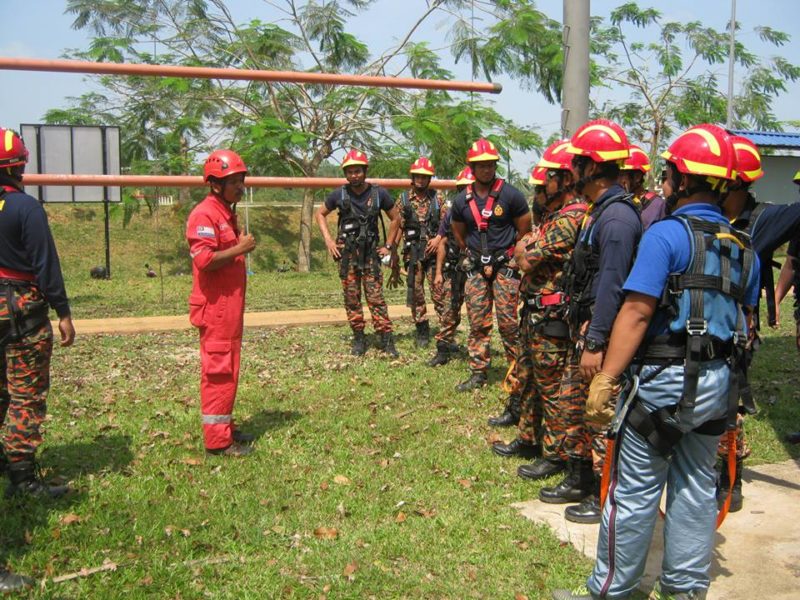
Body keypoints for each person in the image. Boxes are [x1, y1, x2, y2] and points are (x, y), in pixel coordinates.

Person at [552, 123, 760, 600]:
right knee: (693, 489)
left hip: (664, 384)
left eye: (668, 173)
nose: (663, 181)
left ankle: (611, 591)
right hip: (717, 389)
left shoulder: (667, 235)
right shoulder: (741, 245)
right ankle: (685, 591)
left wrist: (606, 379)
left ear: (683, 180)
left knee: (635, 491)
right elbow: (743, 321)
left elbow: (638, 310)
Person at [539, 119, 641, 525]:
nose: (571, 171)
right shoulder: (599, 213)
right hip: (583, 329)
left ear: (592, 167)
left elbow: (612, 286)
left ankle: (604, 494)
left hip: (600, 335)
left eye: (578, 163)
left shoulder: (616, 220)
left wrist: (596, 341)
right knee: (575, 407)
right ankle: (580, 478)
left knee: (600, 415)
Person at [0, 127, 76, 591]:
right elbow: (44, 262)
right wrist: (63, 311)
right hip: (21, 311)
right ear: (18, 167)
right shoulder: (26, 208)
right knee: (27, 393)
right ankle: (22, 474)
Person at [493, 141, 589, 480]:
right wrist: (526, 247)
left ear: (565, 179)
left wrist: (526, 247)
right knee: (530, 381)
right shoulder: (557, 218)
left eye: (547, 178)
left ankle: (555, 453)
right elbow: (525, 255)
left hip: (552, 319)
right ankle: (529, 438)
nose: (541, 186)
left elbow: (524, 258)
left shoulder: (571, 219)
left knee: (551, 389)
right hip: (535, 314)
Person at [716, 135, 800, 510]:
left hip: (734, 331)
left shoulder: (764, 219)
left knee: (729, 404)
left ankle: (728, 477)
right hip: (697, 325)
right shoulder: (703, 214)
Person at [449, 139, 532, 400]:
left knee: (508, 323)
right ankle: (478, 371)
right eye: (481, 165)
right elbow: (459, 231)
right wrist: (473, 253)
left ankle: (516, 370)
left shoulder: (511, 195)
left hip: (505, 266)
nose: (486, 169)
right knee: (477, 322)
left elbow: (524, 228)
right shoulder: (462, 200)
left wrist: (510, 255)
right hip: (475, 267)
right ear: (472, 167)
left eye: (490, 165)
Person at [186, 149, 256, 457]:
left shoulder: (225, 211)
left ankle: (224, 425)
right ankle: (218, 441)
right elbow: (204, 260)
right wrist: (240, 247)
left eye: (241, 180)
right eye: (235, 182)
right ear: (216, 184)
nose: (241, 186)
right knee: (218, 371)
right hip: (215, 310)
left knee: (229, 370)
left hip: (228, 309)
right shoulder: (205, 214)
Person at [315, 150, 401, 357]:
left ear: (365, 171)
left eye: (358, 171)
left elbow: (396, 218)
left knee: (376, 298)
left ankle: (386, 338)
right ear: (346, 173)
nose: (354, 175)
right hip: (348, 256)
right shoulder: (339, 194)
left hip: (371, 254)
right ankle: (359, 338)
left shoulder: (378, 194)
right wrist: (328, 240)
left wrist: (389, 246)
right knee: (352, 298)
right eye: (350, 171)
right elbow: (320, 213)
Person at [395, 157, 445, 348]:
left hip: (433, 254)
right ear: (413, 177)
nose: (421, 180)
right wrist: (393, 252)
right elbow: (398, 226)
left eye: (425, 177)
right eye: (418, 176)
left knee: (439, 293)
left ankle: (445, 333)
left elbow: (446, 225)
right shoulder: (404, 199)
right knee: (416, 294)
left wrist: (438, 239)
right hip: (413, 254)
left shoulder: (437, 199)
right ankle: (422, 330)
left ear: (429, 178)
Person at [428, 167, 474, 366]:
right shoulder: (452, 211)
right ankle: (443, 350)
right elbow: (443, 242)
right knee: (448, 311)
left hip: (477, 272)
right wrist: (438, 272)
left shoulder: (488, 211)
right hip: (454, 270)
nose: (466, 192)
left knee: (478, 315)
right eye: (462, 188)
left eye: (469, 187)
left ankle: (479, 354)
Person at [619, 144, 666, 230]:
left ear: (637, 177)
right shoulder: (617, 202)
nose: (618, 180)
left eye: (622, 175)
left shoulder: (657, 205)